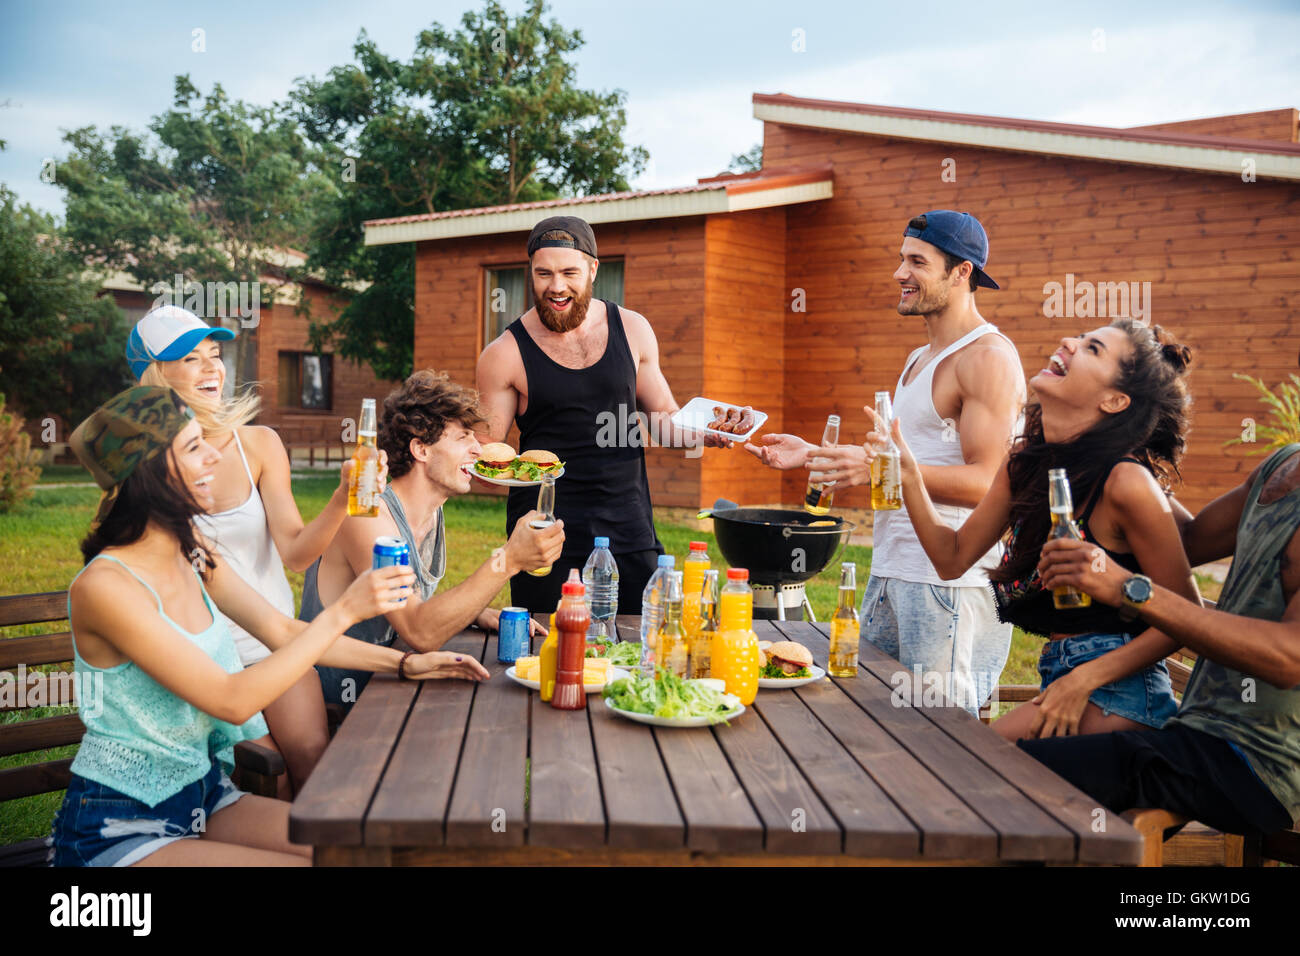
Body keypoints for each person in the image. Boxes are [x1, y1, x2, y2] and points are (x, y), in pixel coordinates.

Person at [52, 386, 487, 866]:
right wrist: (344, 611)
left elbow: (280, 631)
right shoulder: (105, 587)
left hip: (204, 798)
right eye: (195, 448)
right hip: (120, 824)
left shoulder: (192, 552)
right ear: (151, 472)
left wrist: (405, 663)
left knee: (364, 854)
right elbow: (230, 700)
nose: (214, 459)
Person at [746, 210, 1024, 714]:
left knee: (942, 741)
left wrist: (881, 469)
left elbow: (990, 482)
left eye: (917, 261)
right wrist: (813, 454)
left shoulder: (987, 358)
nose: (900, 273)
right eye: (901, 259)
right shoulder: (920, 358)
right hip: (895, 571)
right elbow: (896, 461)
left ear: (962, 273)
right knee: (875, 724)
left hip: (950, 588)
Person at [873, 318, 1203, 738]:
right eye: (1080, 338)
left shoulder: (1126, 483)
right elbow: (950, 558)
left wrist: (1083, 679)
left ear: (1115, 400)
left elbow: (1185, 616)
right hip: (1064, 679)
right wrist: (910, 478)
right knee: (964, 769)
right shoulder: (1027, 465)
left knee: (965, 769)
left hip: (1120, 695)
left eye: (1092, 348)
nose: (1069, 342)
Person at [129, 304, 377, 796]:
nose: (212, 369)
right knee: (270, 774)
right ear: (155, 376)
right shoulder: (143, 465)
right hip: (202, 660)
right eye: (190, 360)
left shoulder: (259, 444)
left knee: (313, 762)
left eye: (215, 355)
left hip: (275, 643)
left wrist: (342, 498)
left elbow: (297, 554)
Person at [1026, 441, 1300, 837]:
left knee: (1017, 773)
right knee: (1013, 789)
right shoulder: (1280, 464)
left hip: (1260, 766)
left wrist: (1131, 590)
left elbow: (1288, 660)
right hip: (1194, 738)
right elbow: (1186, 540)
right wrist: (1122, 453)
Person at [476, 215, 747, 615]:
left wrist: (705, 431)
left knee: (643, 644)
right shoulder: (504, 353)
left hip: (629, 526)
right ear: (530, 273)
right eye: (543, 273)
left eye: (569, 272)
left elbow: (663, 420)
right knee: (549, 651)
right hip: (546, 534)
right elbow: (489, 451)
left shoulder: (633, 329)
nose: (556, 286)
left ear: (593, 270)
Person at [303, 369, 564, 710]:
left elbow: (409, 600)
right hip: (338, 706)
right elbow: (419, 631)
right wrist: (509, 560)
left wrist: (477, 612)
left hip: (390, 688)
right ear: (420, 449)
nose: (478, 449)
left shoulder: (431, 512)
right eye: (463, 438)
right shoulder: (367, 514)